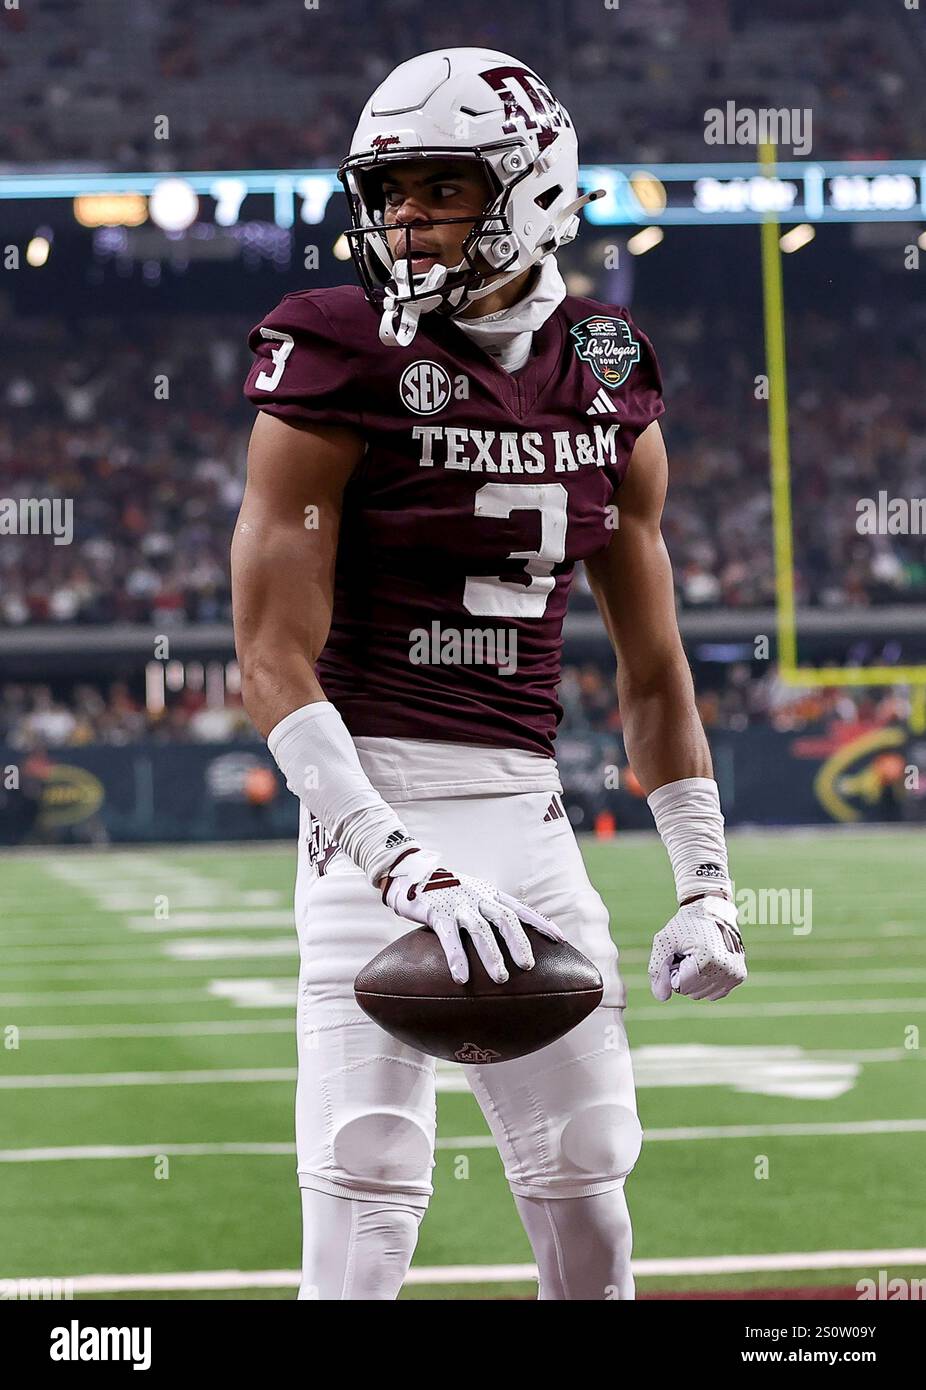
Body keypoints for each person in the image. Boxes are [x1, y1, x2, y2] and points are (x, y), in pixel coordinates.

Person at [232, 47, 746, 1302]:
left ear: (528, 188)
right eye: (389, 191)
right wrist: (389, 853)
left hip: (526, 810)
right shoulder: (331, 349)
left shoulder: (608, 368)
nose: (403, 219)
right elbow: (267, 653)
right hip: (373, 810)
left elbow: (654, 667)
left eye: (439, 189)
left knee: (591, 1190)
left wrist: (705, 879)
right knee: (363, 1202)